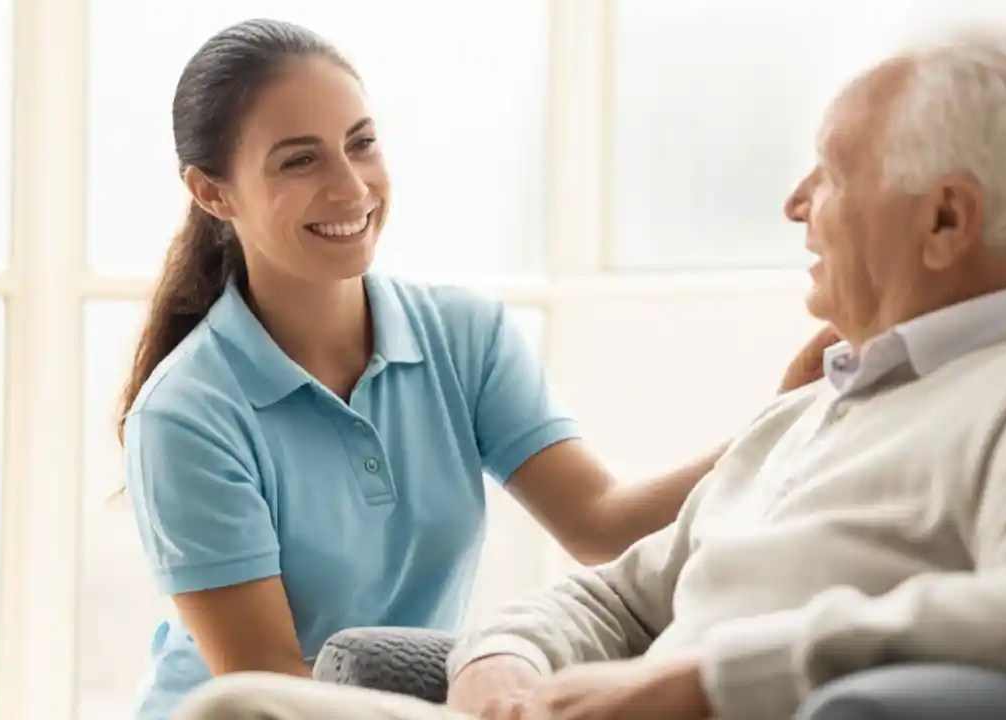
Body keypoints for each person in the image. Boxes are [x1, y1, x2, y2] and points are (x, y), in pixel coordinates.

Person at [171, 22, 1006, 720]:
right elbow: (621, 589)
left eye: (833, 174)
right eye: (299, 157)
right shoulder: (817, 415)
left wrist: (705, 680)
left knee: (236, 712)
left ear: (943, 220)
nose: (797, 205)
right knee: (240, 704)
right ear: (214, 195)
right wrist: (502, 660)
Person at [120, 18, 834, 720]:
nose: (352, 188)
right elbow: (269, 685)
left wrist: (783, 417)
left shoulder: (464, 335)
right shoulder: (185, 414)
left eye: (361, 144)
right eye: (300, 161)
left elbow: (600, 523)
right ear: (213, 193)